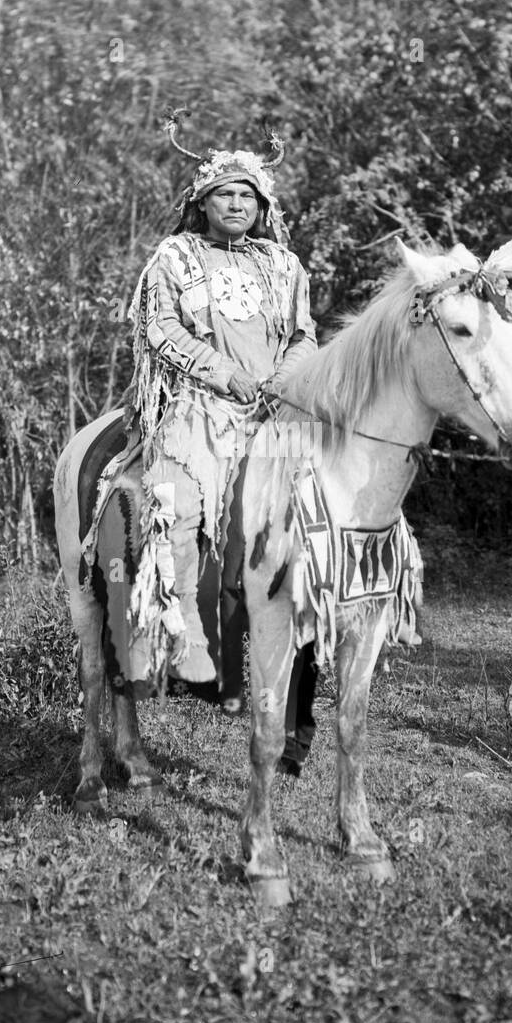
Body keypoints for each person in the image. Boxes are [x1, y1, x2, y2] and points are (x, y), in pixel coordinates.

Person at [125, 113, 317, 683]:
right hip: (197, 408)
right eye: (224, 195)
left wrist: (282, 380)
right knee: (176, 509)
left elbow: (304, 335)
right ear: (202, 202)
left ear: (261, 207)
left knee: (305, 516)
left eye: (246, 196)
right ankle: (183, 634)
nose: (236, 204)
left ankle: (298, 641)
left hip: (271, 411)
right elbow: (157, 325)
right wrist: (220, 372)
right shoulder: (175, 256)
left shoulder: (285, 266)